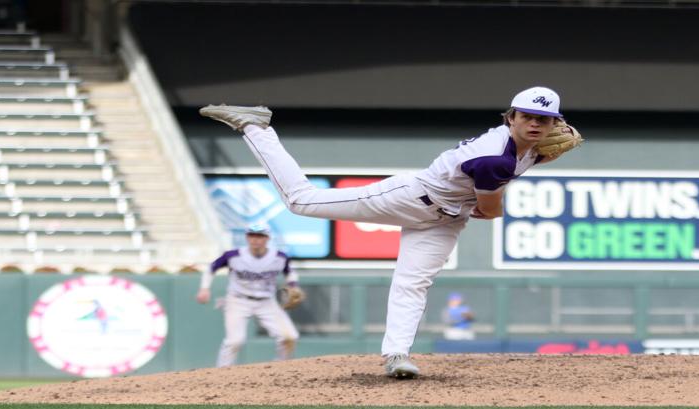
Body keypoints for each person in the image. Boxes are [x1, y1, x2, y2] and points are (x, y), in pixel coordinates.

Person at [197, 87, 581, 378]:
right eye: (527, 116)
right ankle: (255, 126)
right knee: (301, 201)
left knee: (413, 283)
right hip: (411, 198)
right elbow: (491, 208)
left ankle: (396, 356)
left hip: (445, 219)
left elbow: (505, 179)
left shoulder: (529, 146)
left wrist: (535, 154)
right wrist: (489, 208)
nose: (536, 124)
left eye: (544, 120)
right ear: (510, 117)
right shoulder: (494, 157)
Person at [197, 222, 300, 367]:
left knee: (289, 336)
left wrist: (294, 286)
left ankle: (281, 368)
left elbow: (290, 272)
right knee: (235, 341)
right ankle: (221, 374)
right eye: (252, 235)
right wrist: (204, 288)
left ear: (267, 238)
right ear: (247, 237)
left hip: (266, 301)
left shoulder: (279, 257)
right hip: (238, 300)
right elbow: (211, 268)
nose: (255, 239)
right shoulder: (233, 255)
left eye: (260, 236)